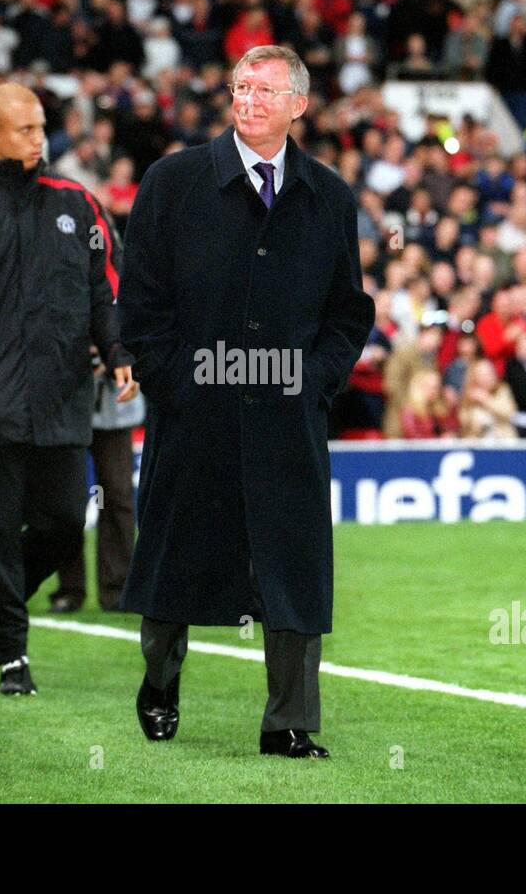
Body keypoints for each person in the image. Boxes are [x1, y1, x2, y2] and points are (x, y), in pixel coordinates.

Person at [118, 45, 374, 759]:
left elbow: (348, 313)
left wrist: (314, 384)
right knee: (175, 562)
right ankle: (160, 681)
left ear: (299, 104)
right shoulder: (173, 182)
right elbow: (139, 303)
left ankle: (289, 721)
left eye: (266, 90)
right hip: (193, 412)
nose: (249, 100)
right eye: (240, 87)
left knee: (293, 573)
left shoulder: (329, 196)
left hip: (289, 419)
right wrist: (176, 386)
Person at [0, 82, 135, 695]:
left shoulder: (79, 204)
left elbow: (105, 289)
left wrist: (118, 351)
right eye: (28, 129)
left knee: (65, 523)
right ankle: (13, 655)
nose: (42, 139)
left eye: (43, 127)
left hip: (62, 401)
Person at [50, 347, 145, 613]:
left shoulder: (124, 303)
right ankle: (69, 588)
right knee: (67, 502)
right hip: (65, 404)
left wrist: (113, 353)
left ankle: (118, 589)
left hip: (116, 404)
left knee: (117, 495)